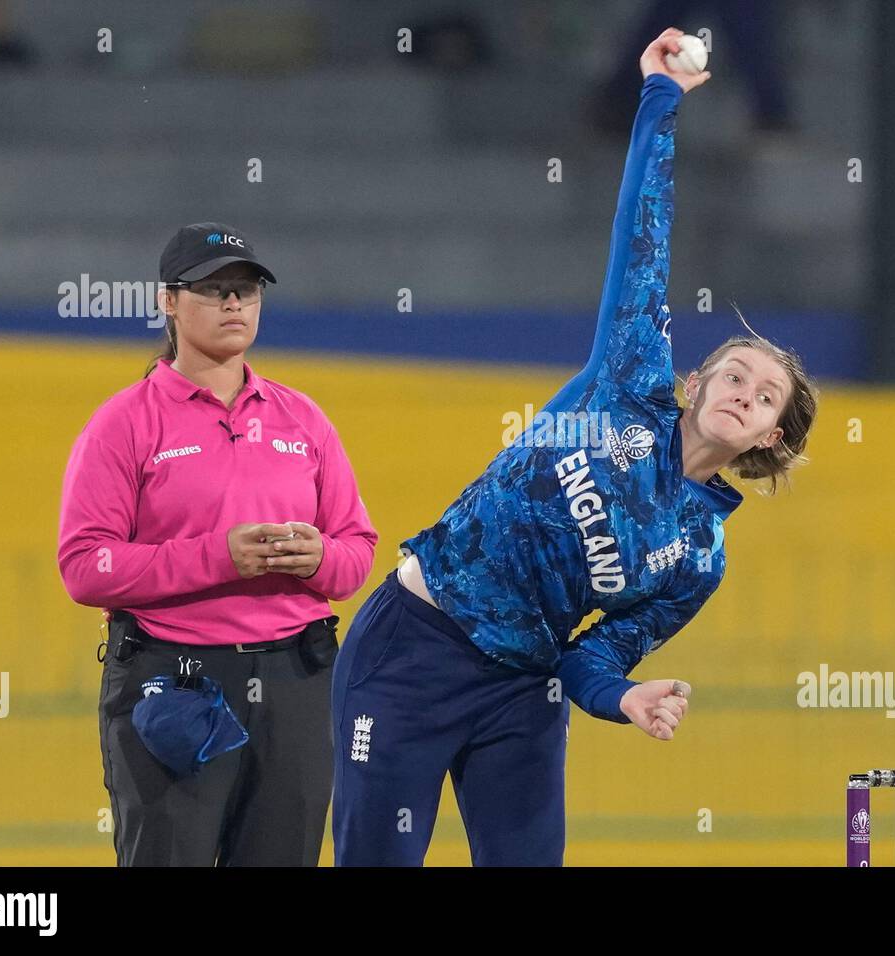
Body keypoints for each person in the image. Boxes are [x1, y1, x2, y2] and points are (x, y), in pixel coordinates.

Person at [331, 29, 818, 866]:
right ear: (694, 384)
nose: (744, 392)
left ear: (770, 437)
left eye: (764, 395)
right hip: (416, 644)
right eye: (733, 375)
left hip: (525, 690)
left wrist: (624, 698)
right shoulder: (628, 379)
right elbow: (643, 240)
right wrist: (661, 101)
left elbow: (596, 651)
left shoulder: (698, 555)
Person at [57, 222, 378, 865]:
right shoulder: (125, 422)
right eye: (213, 289)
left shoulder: (302, 418)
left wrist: (323, 558)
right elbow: (85, 565)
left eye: (247, 290)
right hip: (175, 676)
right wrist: (217, 556)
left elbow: (357, 551)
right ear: (168, 302)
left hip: (297, 676)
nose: (234, 304)